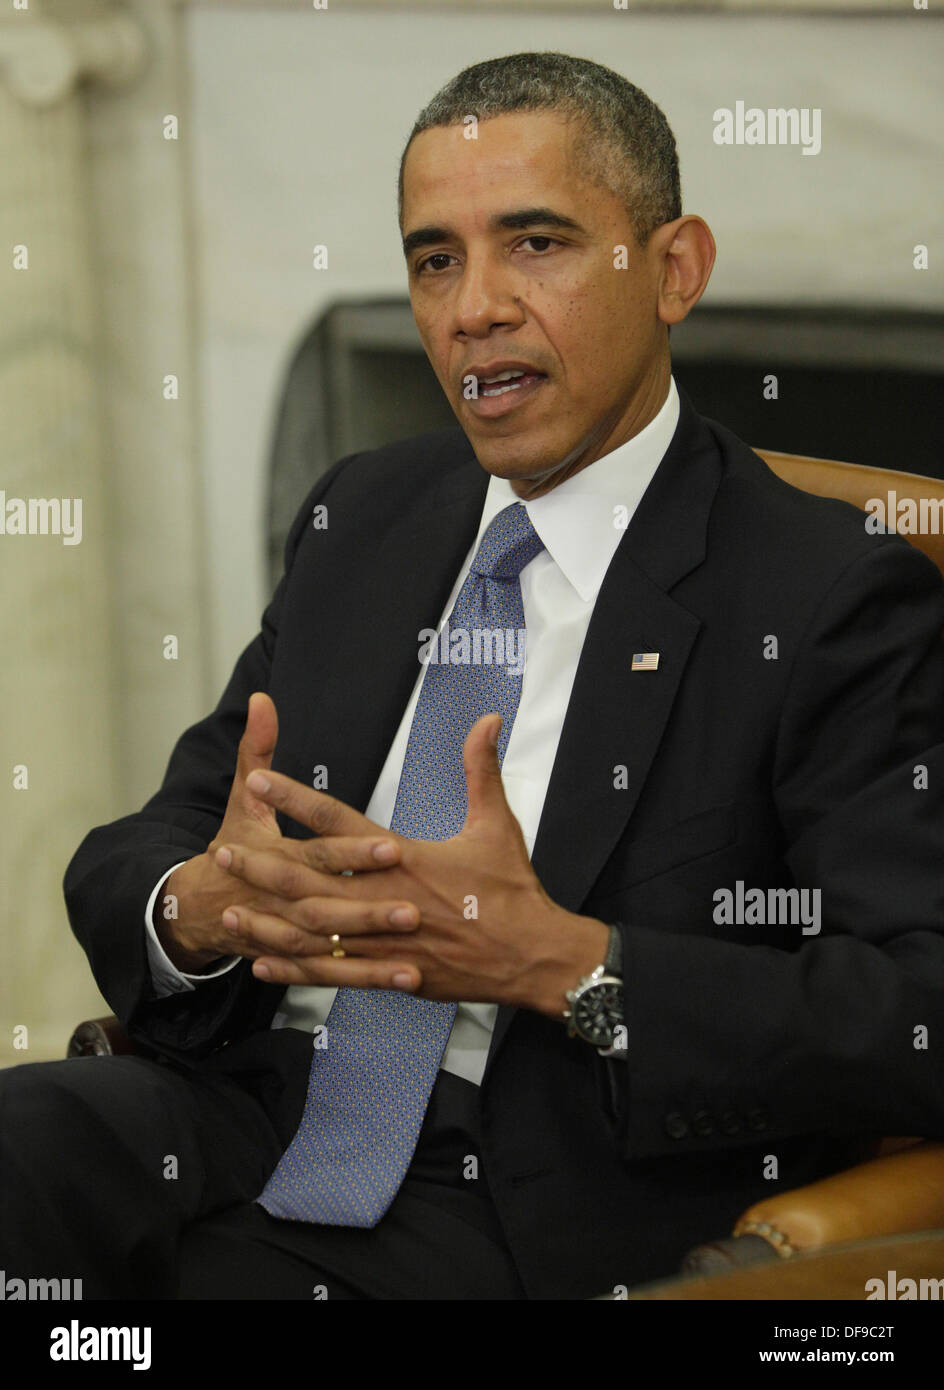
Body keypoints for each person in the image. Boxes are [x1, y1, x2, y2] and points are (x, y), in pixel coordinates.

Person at [3, 52, 943, 1302]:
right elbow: (162, 833)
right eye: (434, 259)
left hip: (524, 1189)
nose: (473, 307)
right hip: (246, 1110)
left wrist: (562, 964)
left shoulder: (823, 590)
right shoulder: (369, 512)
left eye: (536, 244)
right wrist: (201, 906)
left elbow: (913, 1010)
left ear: (673, 270)